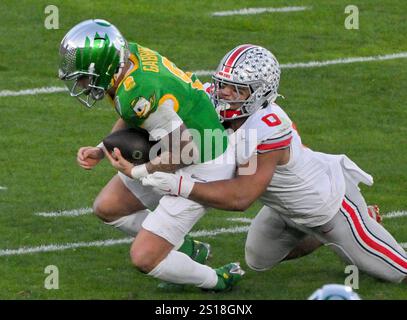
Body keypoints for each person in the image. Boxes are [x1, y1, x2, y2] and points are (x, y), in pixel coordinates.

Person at [142, 44, 407, 284]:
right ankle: (322, 239)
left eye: (237, 89)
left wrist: (179, 184)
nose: (225, 94)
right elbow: (167, 94)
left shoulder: (269, 128)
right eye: (223, 84)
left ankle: (357, 224)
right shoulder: (213, 99)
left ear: (261, 94)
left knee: (399, 273)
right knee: (258, 260)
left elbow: (241, 198)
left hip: (331, 208)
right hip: (282, 209)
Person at [58, 19, 244, 291]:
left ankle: (216, 280)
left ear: (105, 66)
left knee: (144, 257)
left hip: (204, 162)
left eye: (85, 75)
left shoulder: (137, 91)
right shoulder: (127, 58)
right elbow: (132, 114)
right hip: (178, 143)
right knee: (108, 208)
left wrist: (137, 172)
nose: (84, 83)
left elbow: (186, 150)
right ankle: (189, 249)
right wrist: (102, 148)